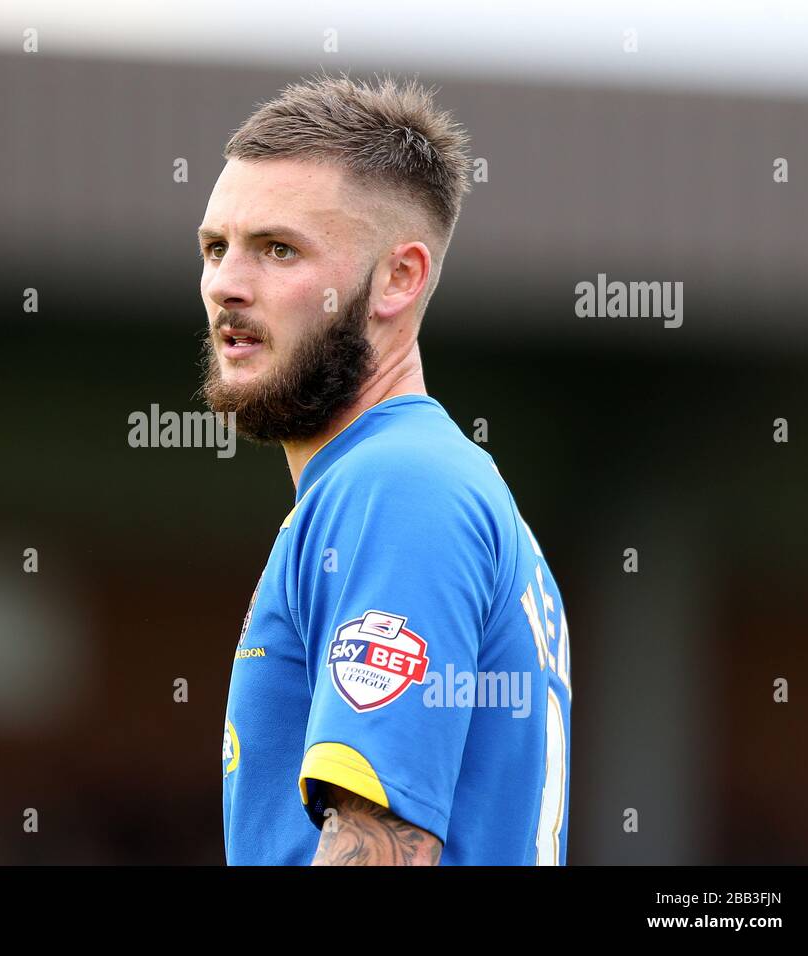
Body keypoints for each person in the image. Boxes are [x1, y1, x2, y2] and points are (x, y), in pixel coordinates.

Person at [202, 72, 572, 865]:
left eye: (277, 249)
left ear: (399, 278)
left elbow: (385, 849)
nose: (226, 285)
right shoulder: (414, 480)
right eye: (215, 248)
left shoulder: (400, 487)